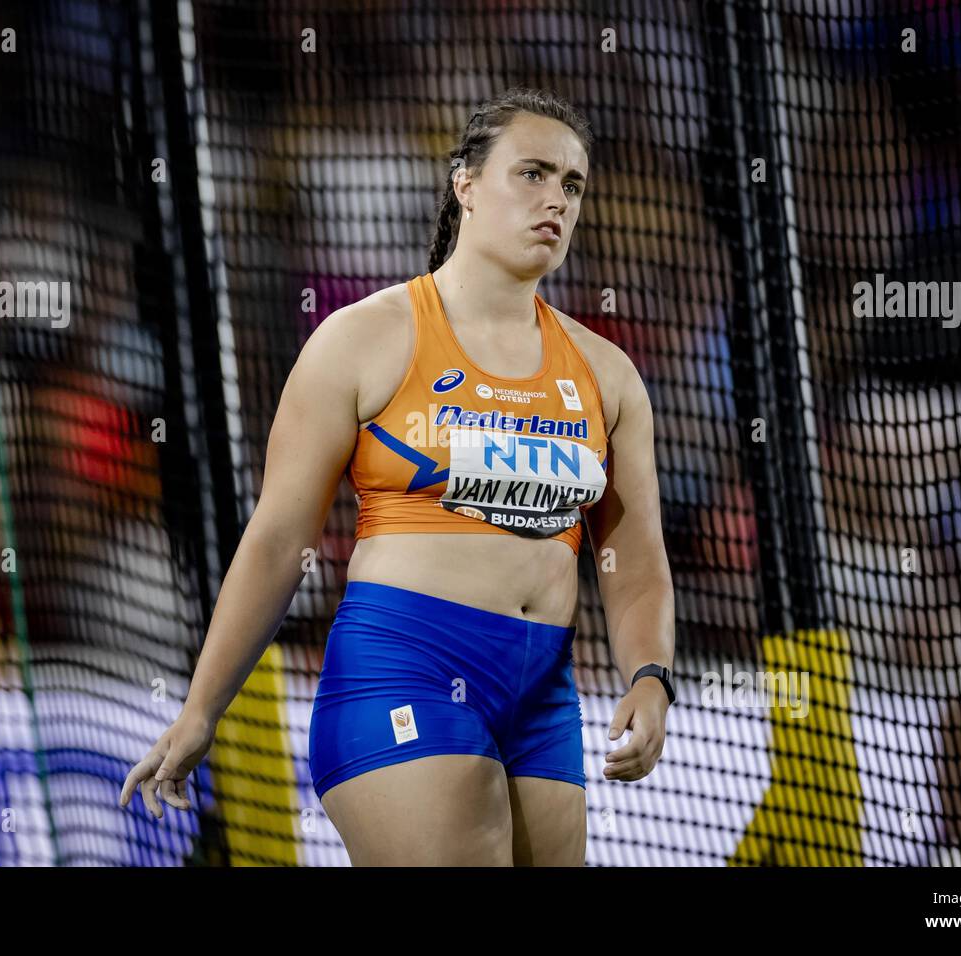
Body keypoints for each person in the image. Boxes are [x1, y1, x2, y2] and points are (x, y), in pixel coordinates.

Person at [120, 87, 676, 866]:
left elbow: (635, 556)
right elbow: (280, 538)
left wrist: (650, 676)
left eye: (573, 184)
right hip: (406, 667)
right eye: (534, 173)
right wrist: (200, 710)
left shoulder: (607, 375)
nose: (556, 199)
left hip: (542, 694)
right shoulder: (362, 339)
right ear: (467, 185)